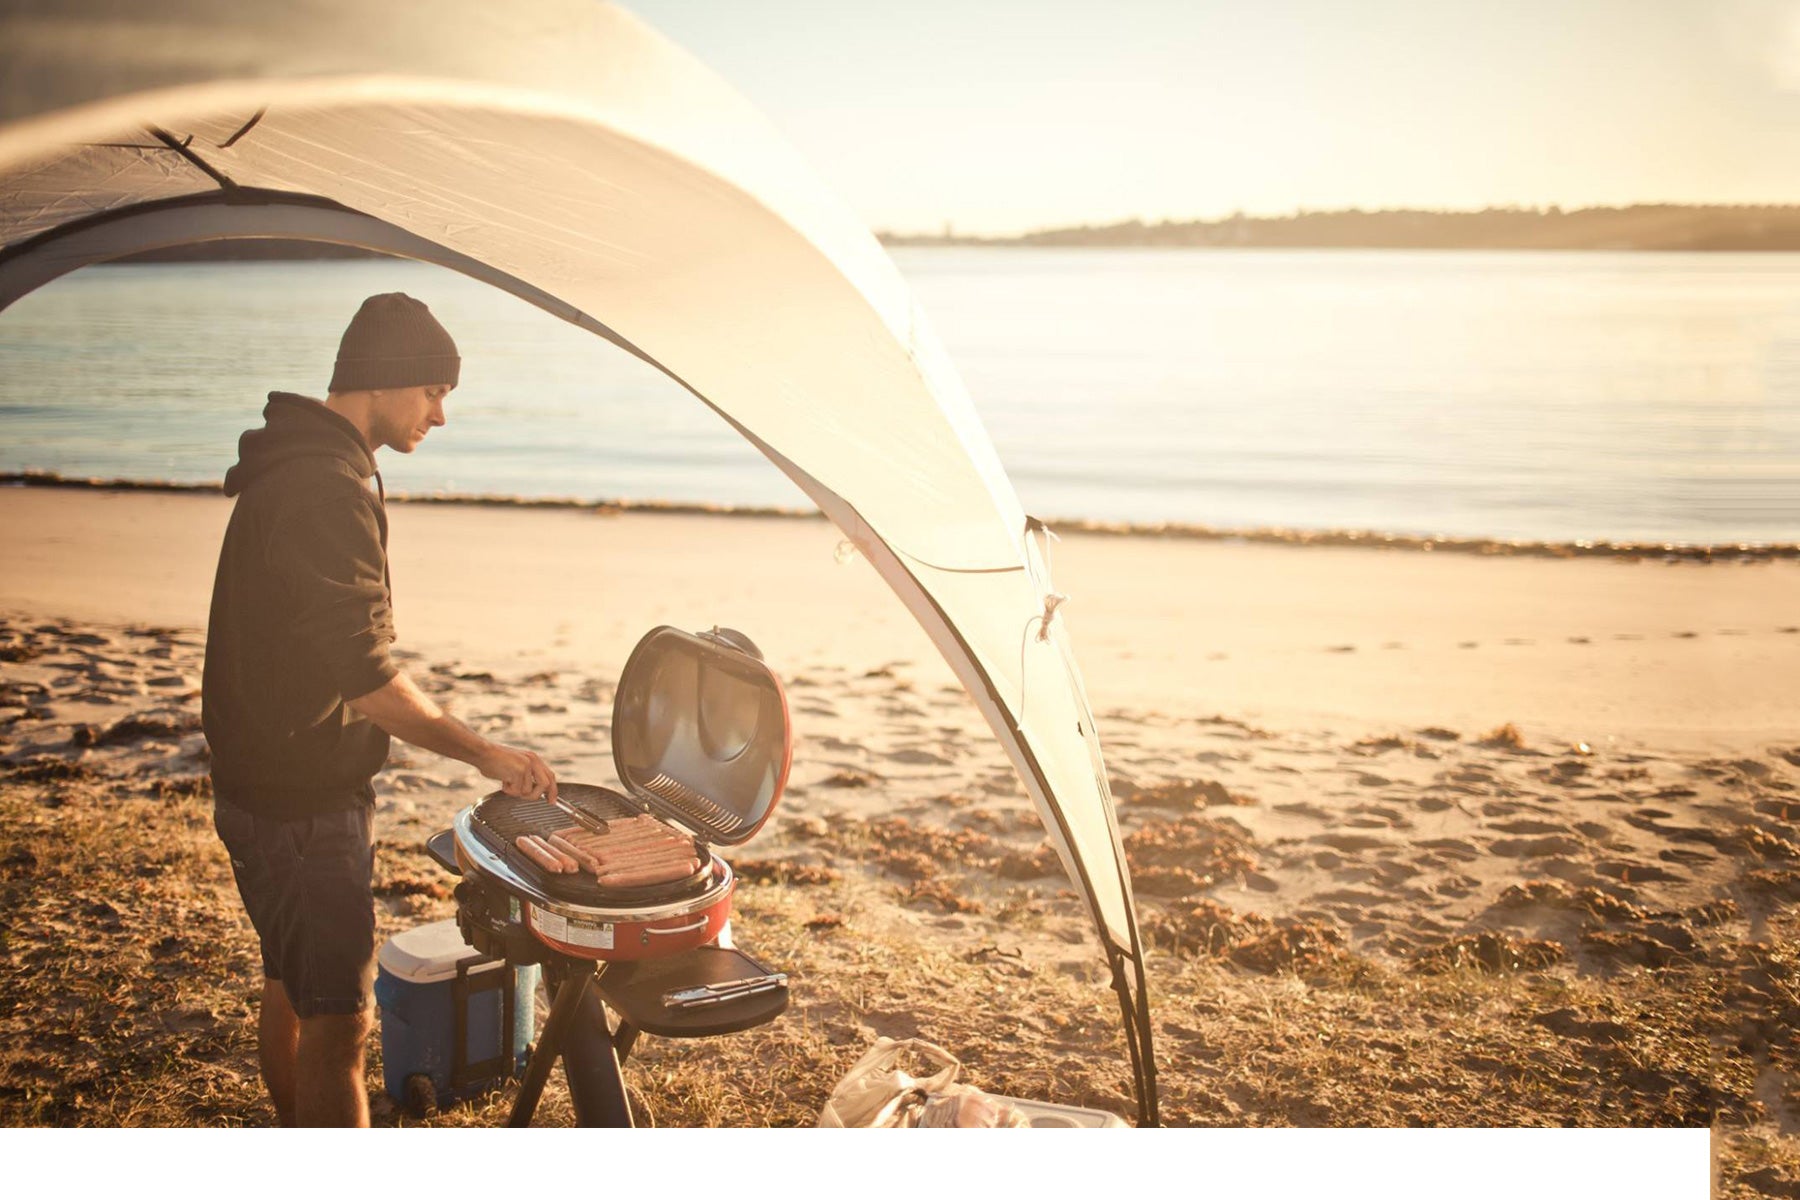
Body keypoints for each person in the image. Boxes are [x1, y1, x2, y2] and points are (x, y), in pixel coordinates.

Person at [202, 292, 557, 1127]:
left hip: (260, 788)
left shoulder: (299, 462)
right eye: (433, 391)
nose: (440, 414)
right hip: (301, 807)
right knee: (341, 1028)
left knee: (288, 983)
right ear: (385, 378)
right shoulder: (326, 487)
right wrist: (486, 754)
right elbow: (365, 678)